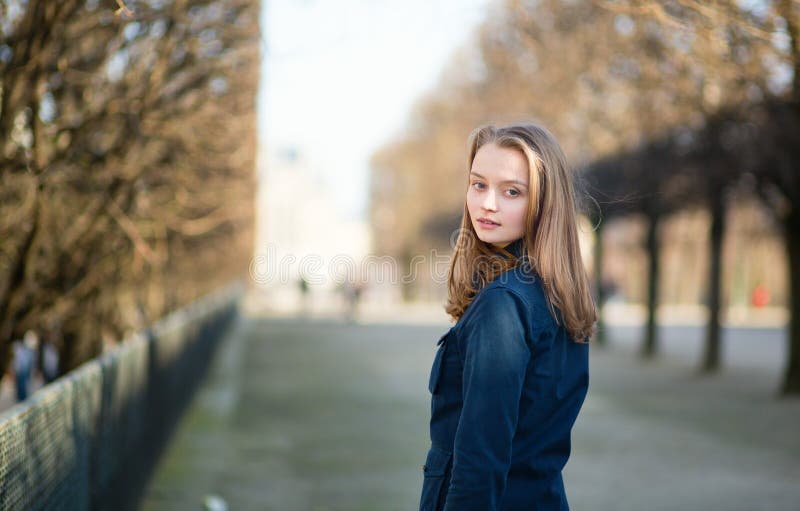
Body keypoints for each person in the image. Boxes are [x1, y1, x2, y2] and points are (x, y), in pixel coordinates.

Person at [419, 123, 596, 511]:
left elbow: (479, 466)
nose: (487, 204)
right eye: (478, 184)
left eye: (511, 191)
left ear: (544, 203)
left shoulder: (505, 303)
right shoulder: (553, 293)